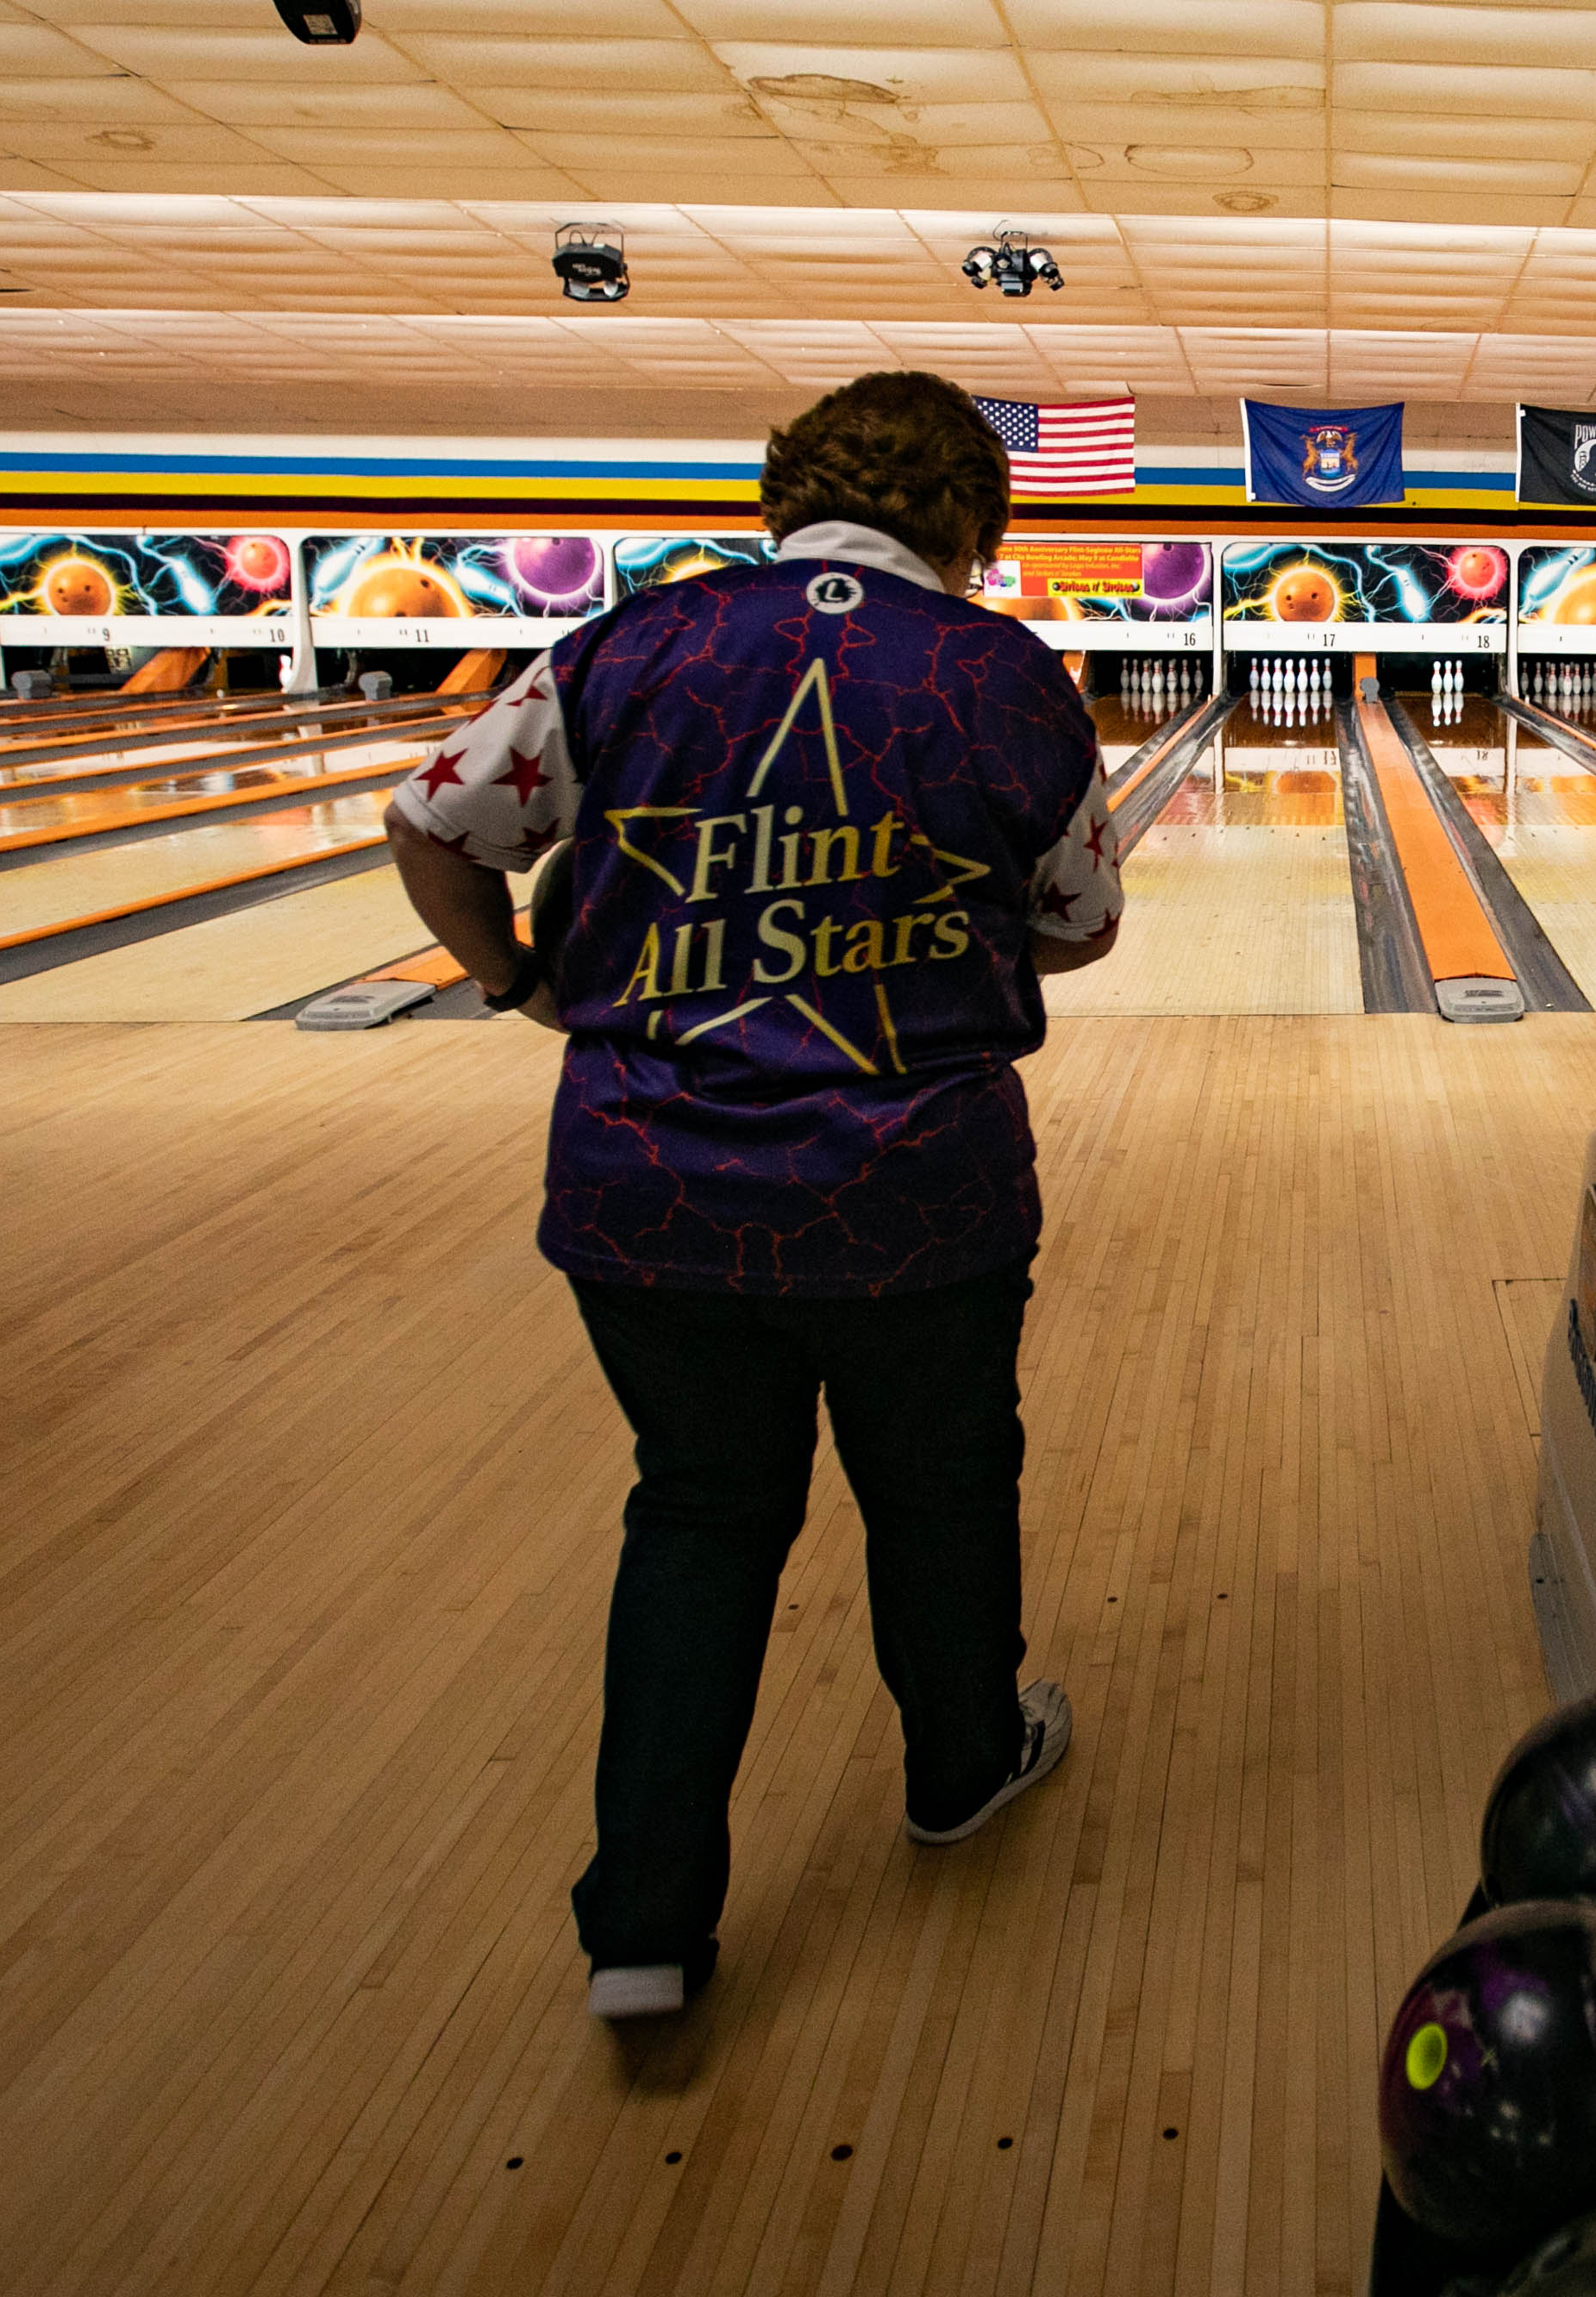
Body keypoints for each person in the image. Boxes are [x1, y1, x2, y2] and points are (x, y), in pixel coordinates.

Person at [381, 371, 1123, 2024]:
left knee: (701, 1513)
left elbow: (432, 821)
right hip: (920, 1193)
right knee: (938, 1491)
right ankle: (957, 1767)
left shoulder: (631, 645)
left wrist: (515, 978)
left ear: (779, 498)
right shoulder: (1003, 675)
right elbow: (1078, 922)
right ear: (974, 525)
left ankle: (641, 1927)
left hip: (651, 1189)